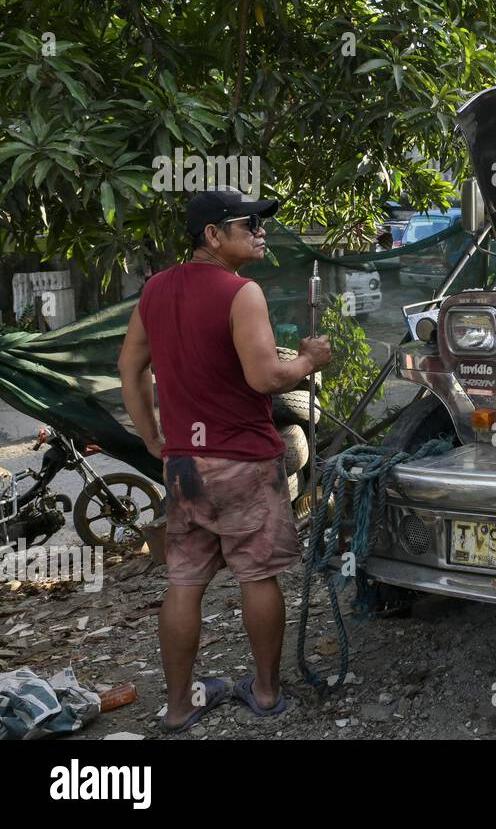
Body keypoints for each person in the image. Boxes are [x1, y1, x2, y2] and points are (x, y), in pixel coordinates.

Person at [118, 188, 331, 733]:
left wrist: (152, 439)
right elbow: (264, 377)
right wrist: (306, 359)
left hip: (185, 465)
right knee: (258, 577)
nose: (260, 231)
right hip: (242, 461)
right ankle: (264, 693)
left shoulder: (155, 290)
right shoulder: (242, 293)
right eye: (248, 223)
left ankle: (179, 706)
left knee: (184, 583)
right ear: (213, 236)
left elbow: (129, 367)